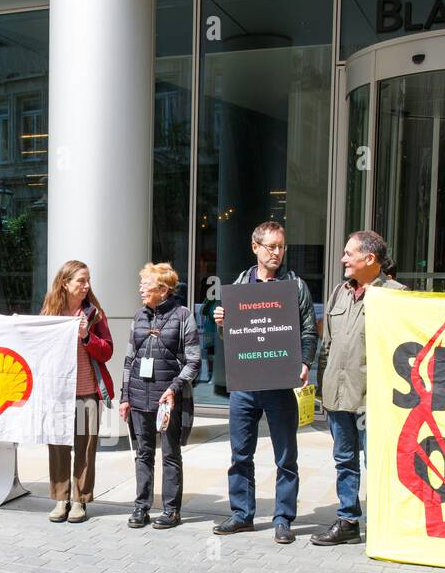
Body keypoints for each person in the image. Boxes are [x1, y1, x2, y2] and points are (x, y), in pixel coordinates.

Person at [211, 221, 317, 543]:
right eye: (271, 246)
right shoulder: (240, 284)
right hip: (245, 385)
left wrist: (304, 363)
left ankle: (283, 518)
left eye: (281, 246)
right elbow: (235, 336)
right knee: (240, 454)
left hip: (280, 382)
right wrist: (222, 323)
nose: (277, 252)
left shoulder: (294, 286)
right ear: (255, 247)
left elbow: (309, 331)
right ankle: (242, 515)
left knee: (286, 456)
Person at [312, 231, 405, 546]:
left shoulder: (396, 295)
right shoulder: (339, 291)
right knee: (344, 460)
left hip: (373, 400)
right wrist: (322, 389)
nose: (343, 260)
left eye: (349, 254)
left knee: (377, 463)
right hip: (339, 397)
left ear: (370, 259)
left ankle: (384, 526)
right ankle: (348, 521)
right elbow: (328, 345)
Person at [120, 262, 200, 529]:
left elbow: (193, 361)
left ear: (163, 289)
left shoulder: (183, 315)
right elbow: (129, 359)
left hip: (168, 399)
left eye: (146, 283)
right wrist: (124, 396)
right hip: (139, 397)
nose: (141, 288)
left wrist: (174, 388)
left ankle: (170, 510)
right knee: (143, 454)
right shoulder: (139, 316)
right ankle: (141, 506)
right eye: (141, 283)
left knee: (169, 454)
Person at [40, 259, 114, 523]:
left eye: (88, 280)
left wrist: (87, 337)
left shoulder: (95, 314)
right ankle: (61, 499)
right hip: (58, 394)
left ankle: (80, 501)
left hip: (86, 393)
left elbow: (107, 351)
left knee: (85, 450)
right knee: (58, 447)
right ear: (65, 283)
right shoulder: (50, 313)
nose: (86, 285)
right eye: (80, 280)